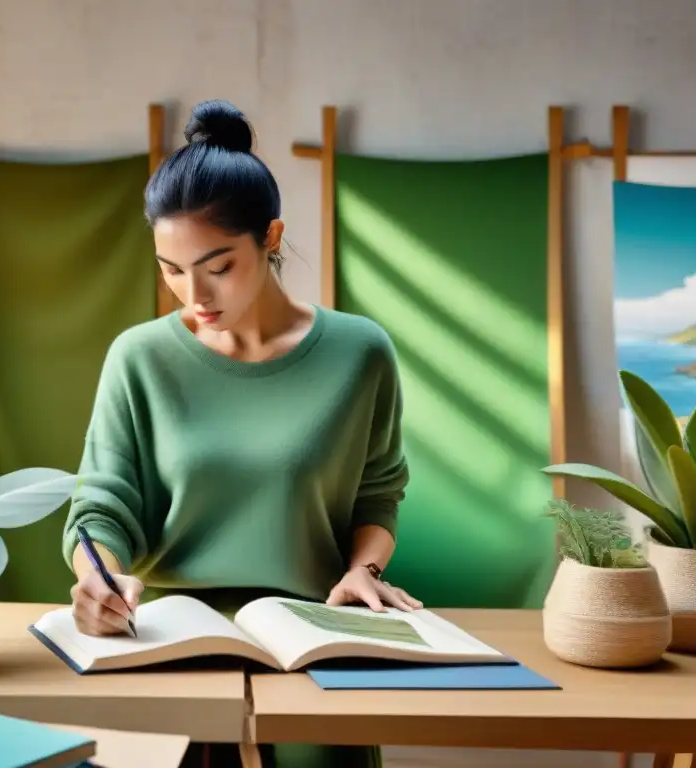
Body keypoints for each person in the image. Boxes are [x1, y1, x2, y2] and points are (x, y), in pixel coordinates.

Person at [63, 99, 420, 768]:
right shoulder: (138, 358)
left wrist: (362, 571)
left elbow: (377, 494)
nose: (192, 294)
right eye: (171, 270)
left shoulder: (360, 352)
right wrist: (99, 575)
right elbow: (102, 505)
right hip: (168, 650)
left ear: (272, 237)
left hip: (314, 652)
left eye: (217, 266)